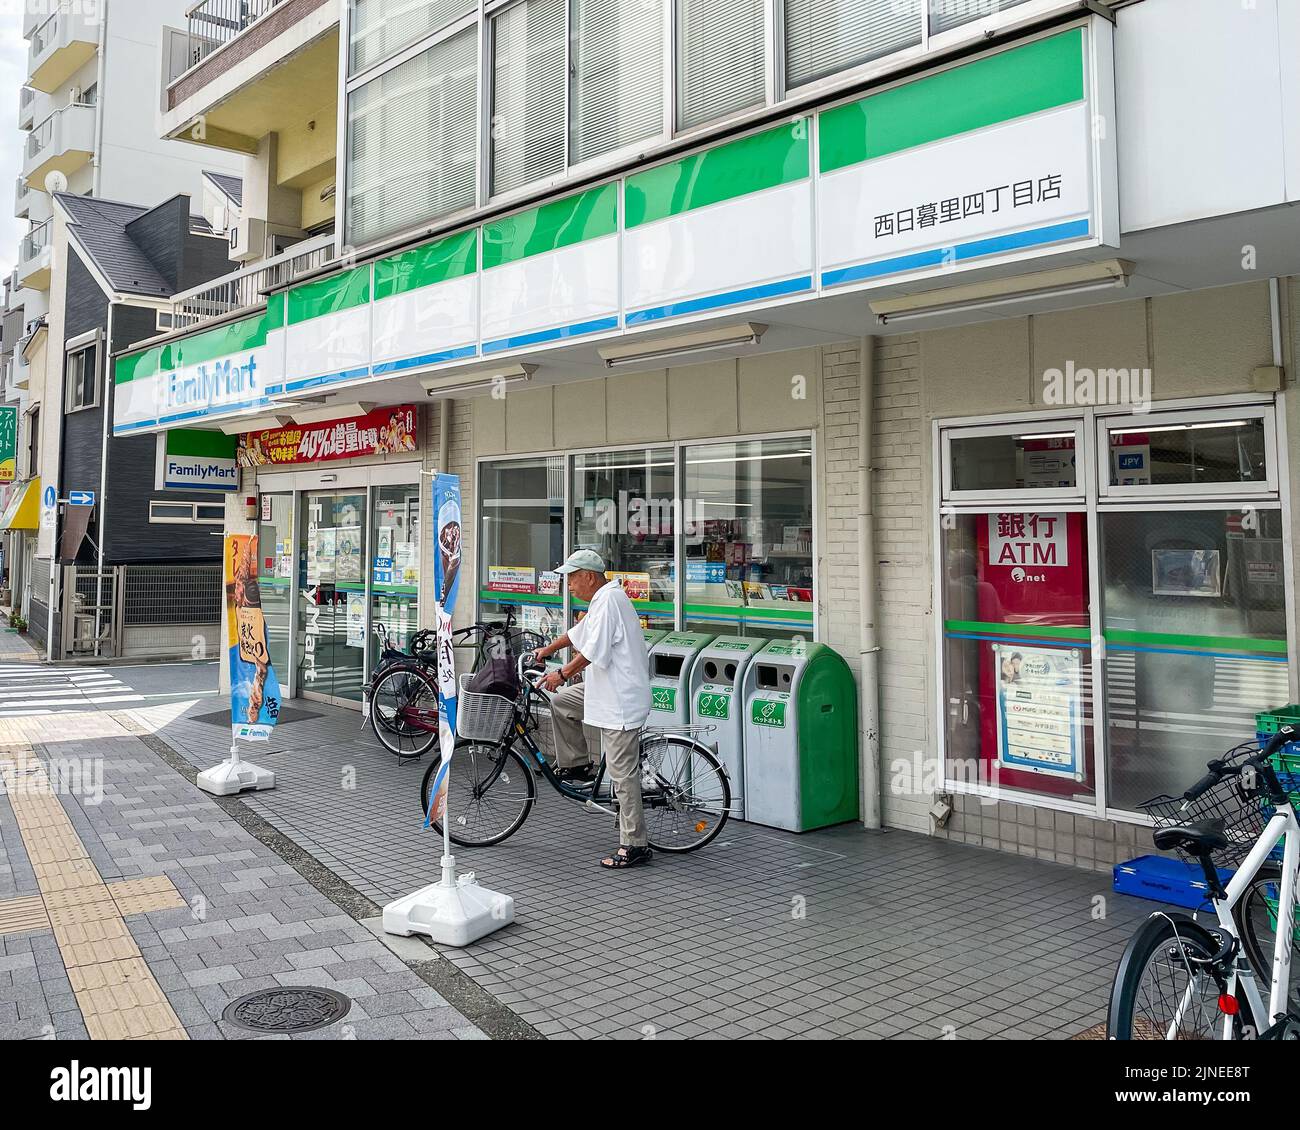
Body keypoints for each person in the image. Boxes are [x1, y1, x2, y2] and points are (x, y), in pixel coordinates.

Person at [532, 550, 653, 870]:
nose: (569, 585)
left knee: (622, 774)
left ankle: (635, 843)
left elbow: (590, 651)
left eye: (572, 578)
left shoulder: (610, 601)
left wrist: (562, 674)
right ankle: (577, 765)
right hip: (604, 689)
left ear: (589, 576)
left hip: (620, 699)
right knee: (561, 702)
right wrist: (547, 650)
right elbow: (576, 636)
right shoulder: (601, 600)